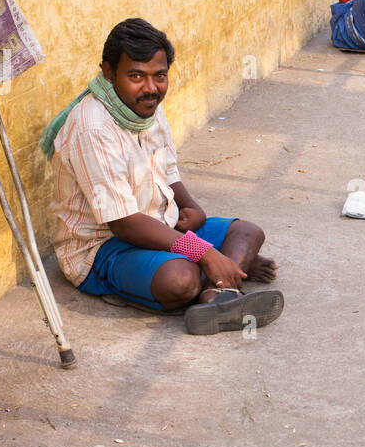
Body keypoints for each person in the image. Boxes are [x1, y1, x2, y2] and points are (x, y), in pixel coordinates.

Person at [42, 18, 283, 335]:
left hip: (161, 225)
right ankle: (224, 276)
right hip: (104, 248)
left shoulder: (145, 108)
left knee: (249, 233)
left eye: (160, 76)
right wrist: (207, 253)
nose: (151, 88)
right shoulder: (92, 127)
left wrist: (192, 207)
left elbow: (167, 169)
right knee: (179, 280)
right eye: (136, 76)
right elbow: (123, 222)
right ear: (109, 72)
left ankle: (216, 293)